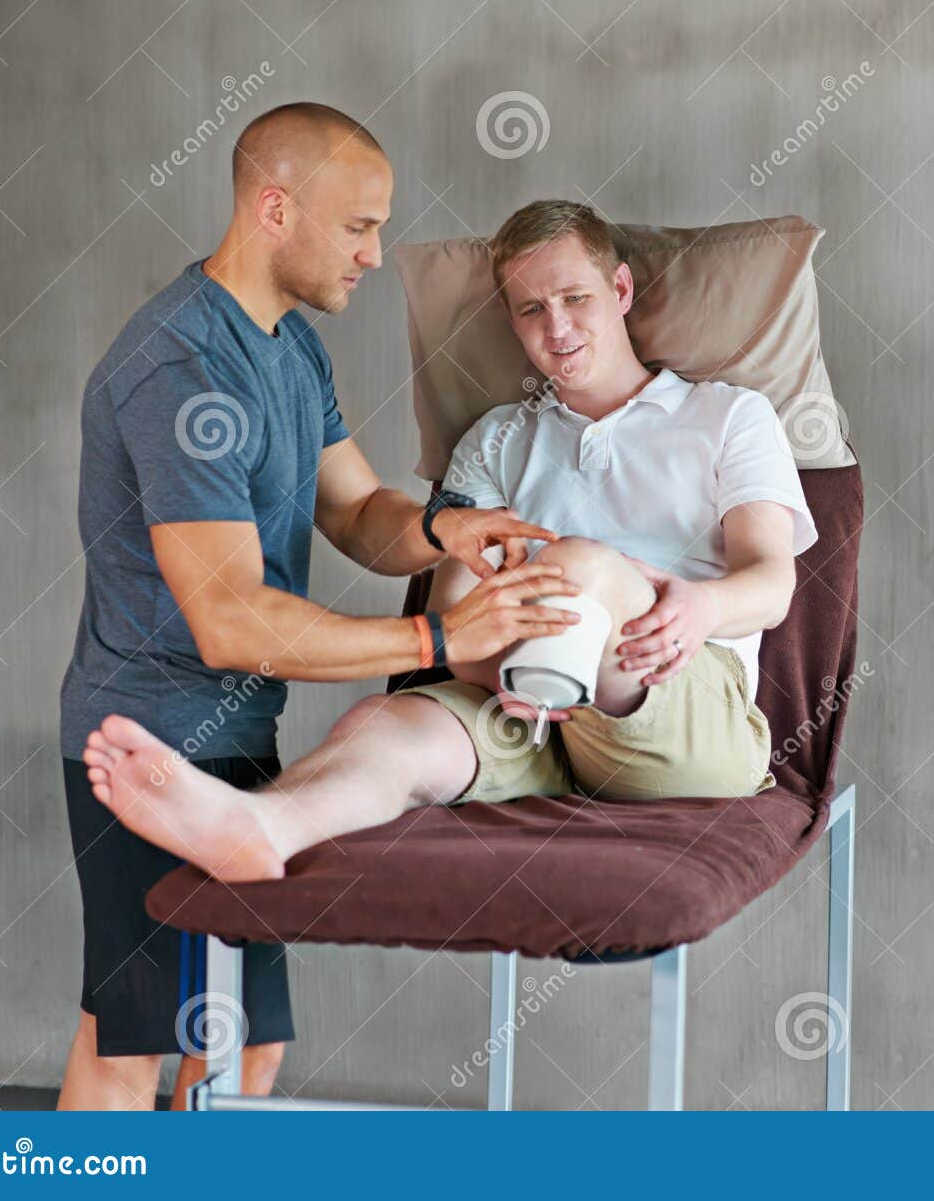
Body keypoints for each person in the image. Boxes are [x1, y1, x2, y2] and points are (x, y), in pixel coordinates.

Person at [77, 197, 817, 918]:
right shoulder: (496, 442)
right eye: (531, 310)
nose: (556, 327)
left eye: (575, 298)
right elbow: (454, 627)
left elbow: (772, 581)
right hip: (524, 706)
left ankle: (570, 652)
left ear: (619, 290)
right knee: (381, 720)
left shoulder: (726, 416)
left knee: (583, 566)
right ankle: (259, 826)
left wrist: (702, 605)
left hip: (674, 695)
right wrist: (504, 672)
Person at [57, 105, 576, 1112]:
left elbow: (355, 508)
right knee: (131, 1044)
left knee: (240, 1051)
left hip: (236, 744)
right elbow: (234, 622)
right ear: (275, 208)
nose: (377, 255)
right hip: (149, 739)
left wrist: (445, 532)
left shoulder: (288, 348)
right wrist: (439, 635)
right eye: (358, 227)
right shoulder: (182, 369)